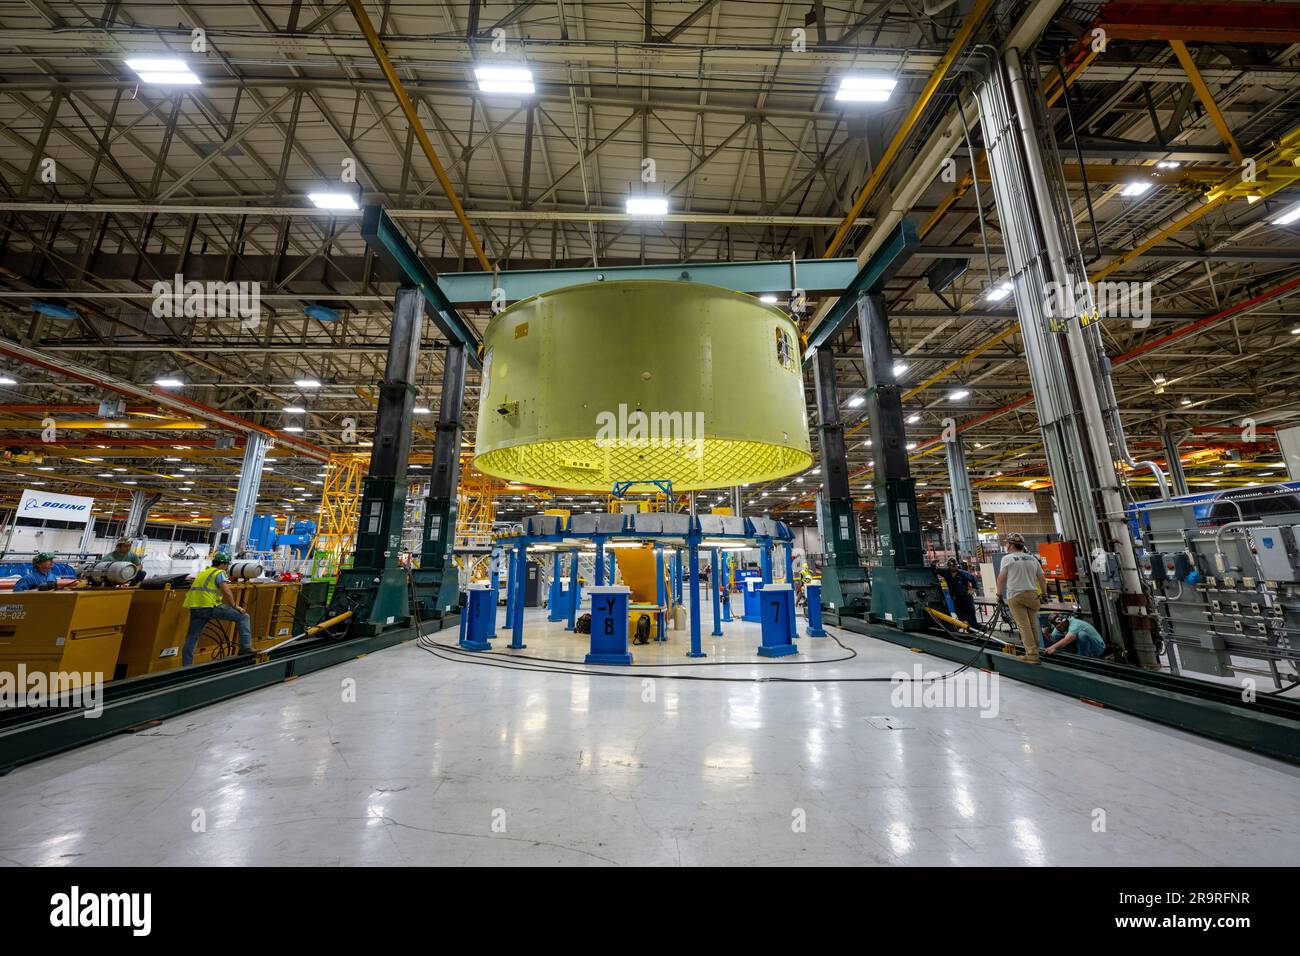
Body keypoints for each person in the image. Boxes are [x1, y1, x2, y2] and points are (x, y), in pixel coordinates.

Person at [181, 553, 253, 665]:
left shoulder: (204, 572)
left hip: (195, 607)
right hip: (209, 606)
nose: (227, 567)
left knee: (192, 637)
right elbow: (226, 590)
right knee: (243, 617)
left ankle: (187, 666)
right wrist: (235, 606)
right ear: (223, 564)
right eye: (227, 564)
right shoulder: (219, 573)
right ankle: (245, 648)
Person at [996, 533, 1047, 664]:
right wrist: (1044, 594)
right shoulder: (1032, 558)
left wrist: (998, 594)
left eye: (1007, 543)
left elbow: (1001, 578)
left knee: (1024, 626)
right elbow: (1042, 578)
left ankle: (1032, 655)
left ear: (1012, 545)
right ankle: (1035, 651)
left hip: (1016, 596)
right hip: (1032, 595)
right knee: (1033, 625)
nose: (1006, 546)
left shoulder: (1007, 559)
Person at [937, 557, 980, 627]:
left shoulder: (963, 573)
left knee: (971, 614)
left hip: (966, 597)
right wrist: (933, 564)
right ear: (949, 566)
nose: (955, 568)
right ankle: (972, 626)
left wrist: (973, 589)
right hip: (956, 598)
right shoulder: (946, 573)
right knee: (960, 614)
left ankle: (975, 627)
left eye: (956, 566)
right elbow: (936, 570)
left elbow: (973, 578)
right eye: (953, 566)